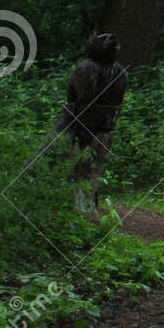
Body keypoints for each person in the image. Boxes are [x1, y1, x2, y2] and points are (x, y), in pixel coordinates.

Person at [57, 32, 127, 221]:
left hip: (81, 128)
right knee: (95, 171)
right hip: (105, 130)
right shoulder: (121, 71)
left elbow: (72, 96)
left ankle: (81, 213)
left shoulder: (85, 68)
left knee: (78, 171)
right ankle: (88, 210)